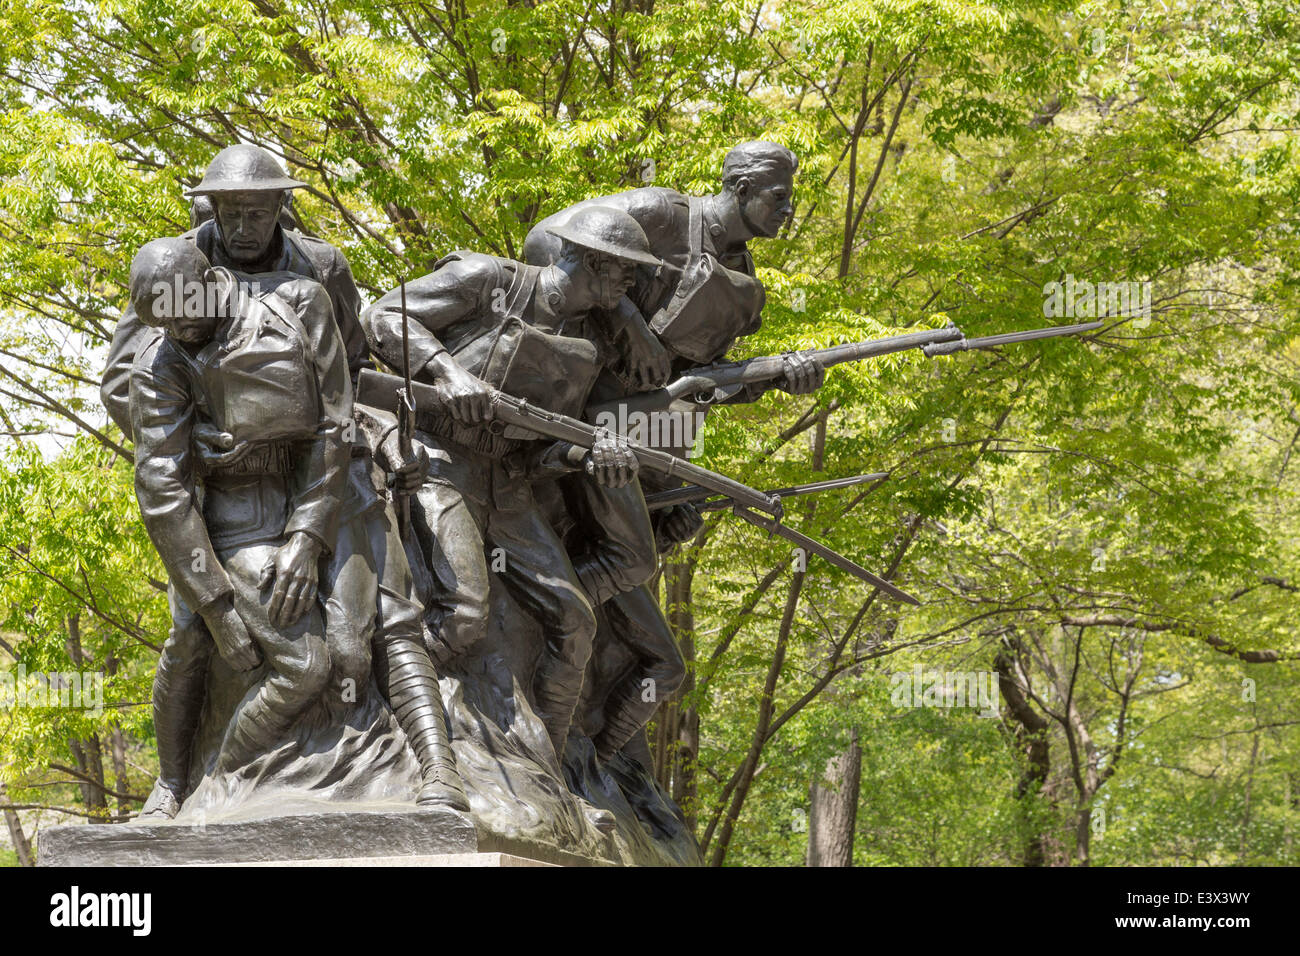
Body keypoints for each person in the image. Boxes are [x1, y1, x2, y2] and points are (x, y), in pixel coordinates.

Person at [523, 142, 826, 764]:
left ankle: (600, 762)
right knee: (626, 560)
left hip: (655, 432)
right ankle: (538, 621)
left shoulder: (744, 289)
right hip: (583, 409)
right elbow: (545, 239)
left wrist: (777, 379)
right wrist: (628, 316)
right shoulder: (661, 214)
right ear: (739, 187)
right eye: (779, 195)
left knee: (652, 603)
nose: (789, 210)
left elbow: (704, 383)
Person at [362, 207, 671, 760]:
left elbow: (548, 448)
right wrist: (446, 371)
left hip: (508, 485)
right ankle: (375, 706)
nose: (632, 286)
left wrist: (594, 455)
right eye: (626, 272)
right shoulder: (487, 279)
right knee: (463, 614)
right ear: (596, 262)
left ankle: (546, 766)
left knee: (575, 620)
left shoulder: (588, 347)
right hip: (440, 460)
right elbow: (383, 316)